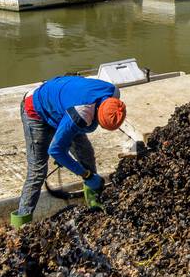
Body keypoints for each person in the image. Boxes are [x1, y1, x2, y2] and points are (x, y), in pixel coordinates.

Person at [11, 75, 127, 227]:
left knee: (86, 153)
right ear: (97, 113)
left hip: (61, 106)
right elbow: (55, 150)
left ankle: (94, 204)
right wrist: (85, 174)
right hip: (35, 109)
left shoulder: (113, 94)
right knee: (37, 171)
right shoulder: (81, 113)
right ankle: (20, 224)